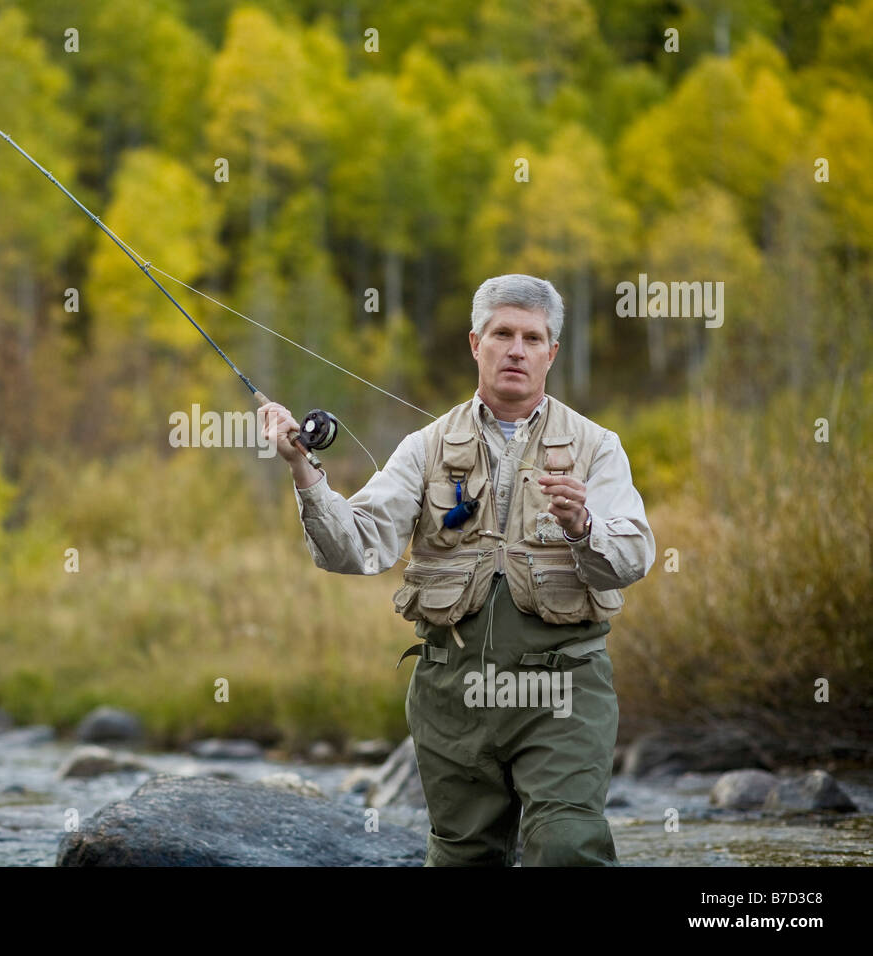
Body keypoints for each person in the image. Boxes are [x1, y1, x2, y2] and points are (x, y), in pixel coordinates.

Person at [259, 274, 656, 866]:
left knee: (567, 845)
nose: (516, 349)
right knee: (463, 856)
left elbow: (634, 557)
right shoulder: (424, 446)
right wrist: (303, 469)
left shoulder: (598, 447)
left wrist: (583, 528)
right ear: (476, 344)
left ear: (552, 352)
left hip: (563, 689)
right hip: (452, 693)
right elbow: (356, 547)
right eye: (502, 334)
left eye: (532, 337)